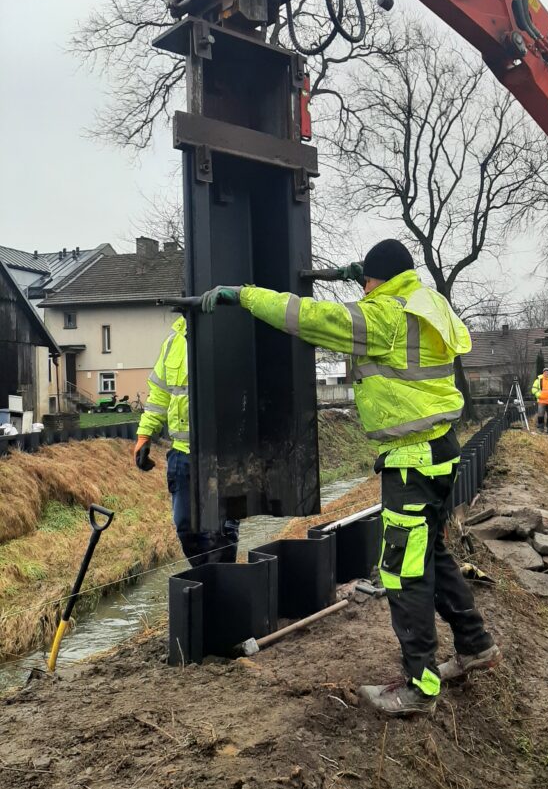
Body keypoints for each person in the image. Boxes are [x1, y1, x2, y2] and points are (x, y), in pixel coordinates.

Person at [200, 239, 499, 718]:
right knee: (431, 554)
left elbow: (311, 317)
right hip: (442, 450)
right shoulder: (426, 302)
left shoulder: (383, 318)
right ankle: (475, 645)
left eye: (367, 283)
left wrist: (246, 295)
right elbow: (388, 300)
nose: (363, 290)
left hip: (412, 462)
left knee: (402, 571)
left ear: (377, 281)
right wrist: (360, 275)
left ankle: (419, 688)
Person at [134, 315, 239, 567]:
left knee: (219, 532)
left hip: (221, 455)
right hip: (182, 454)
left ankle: (223, 581)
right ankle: (206, 577)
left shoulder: (231, 332)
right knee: (185, 528)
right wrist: (145, 434)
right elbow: (160, 395)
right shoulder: (173, 342)